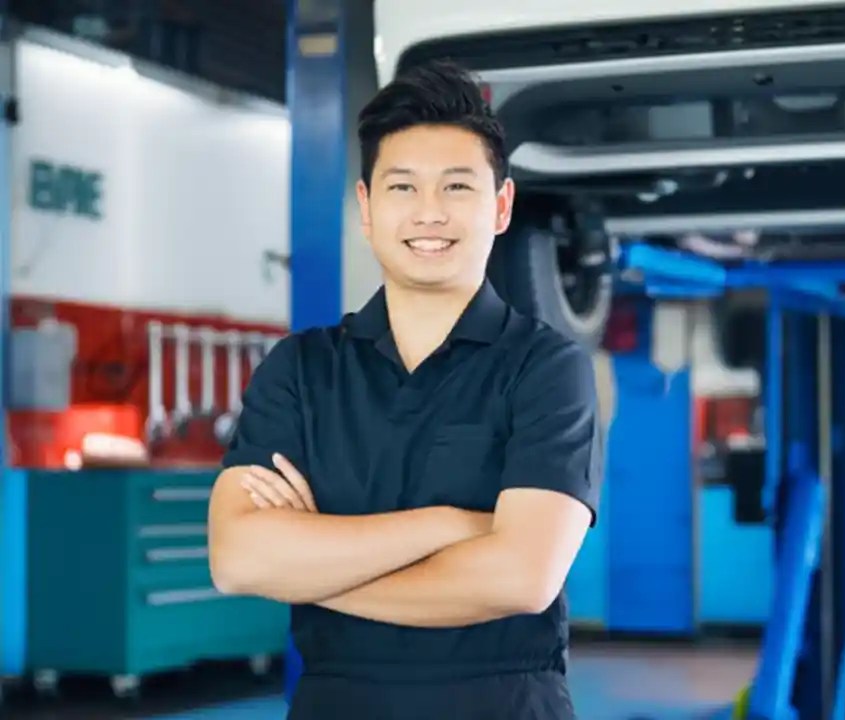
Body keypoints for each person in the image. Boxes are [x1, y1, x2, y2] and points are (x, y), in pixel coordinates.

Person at [207, 59, 601, 719]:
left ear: (501, 207)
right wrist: (449, 526)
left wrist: (316, 570)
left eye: (456, 187)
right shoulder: (302, 371)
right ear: (366, 207)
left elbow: (522, 576)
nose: (429, 214)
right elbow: (238, 558)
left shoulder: (546, 368)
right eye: (402, 187)